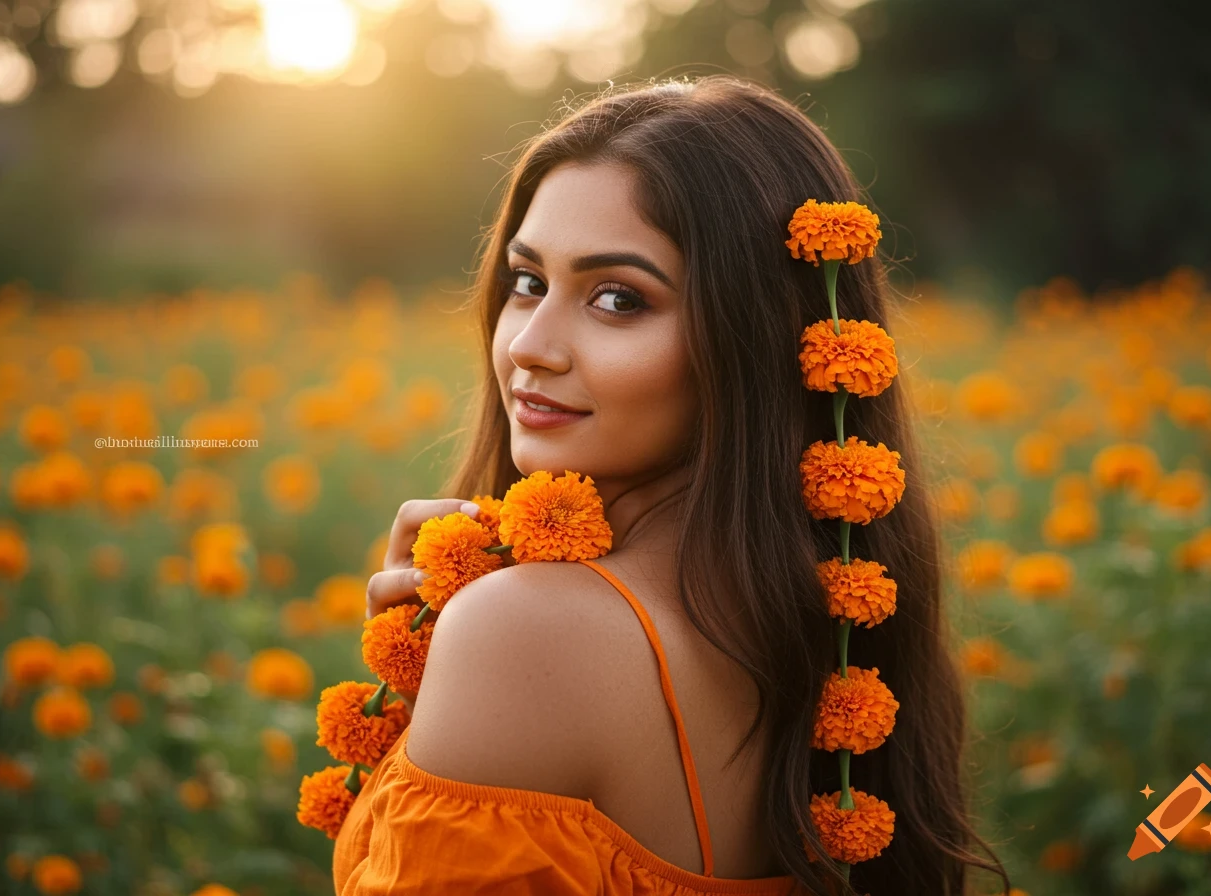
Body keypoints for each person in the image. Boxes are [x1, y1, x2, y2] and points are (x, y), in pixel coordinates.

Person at [339, 74, 1009, 896]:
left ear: (755, 343)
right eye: (527, 282)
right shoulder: (820, 629)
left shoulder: (525, 633)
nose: (530, 345)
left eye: (618, 298)